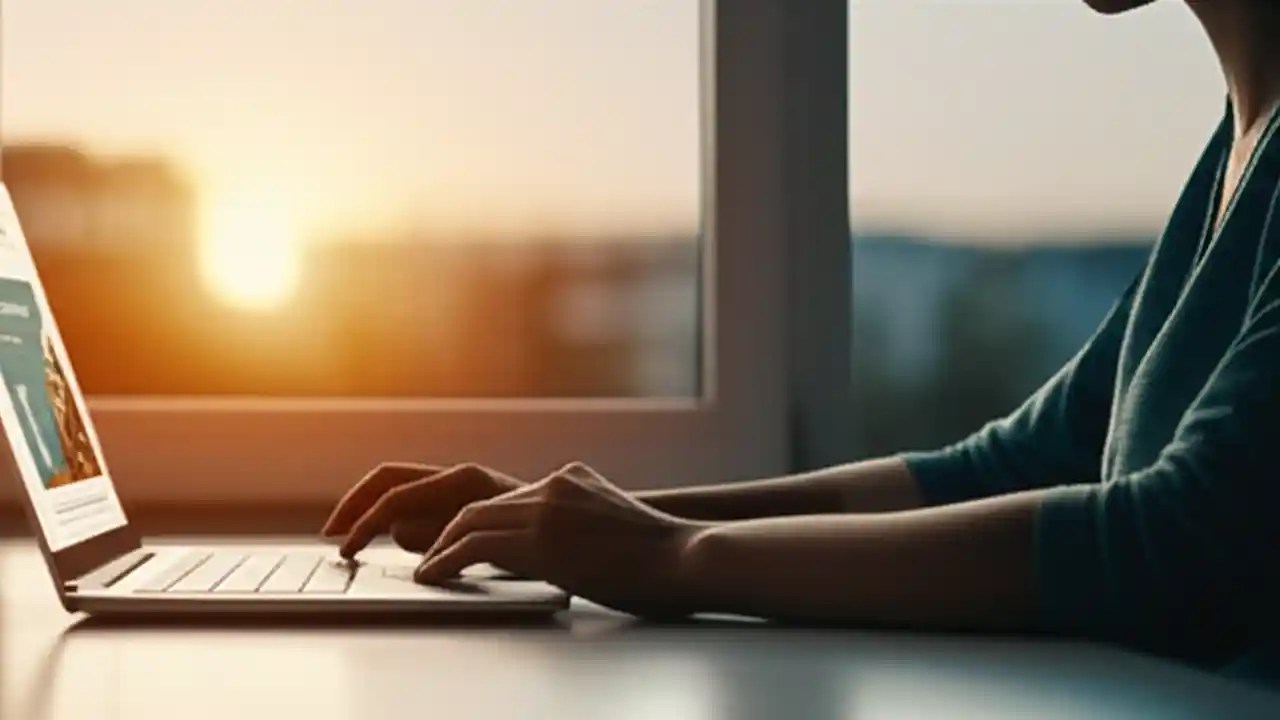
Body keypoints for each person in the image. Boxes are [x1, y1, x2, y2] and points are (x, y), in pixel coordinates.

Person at [323, 0, 1280, 669]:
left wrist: (671, 555)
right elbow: (1006, 469)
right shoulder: (1232, 155)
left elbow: (1174, 548)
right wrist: (595, 519)